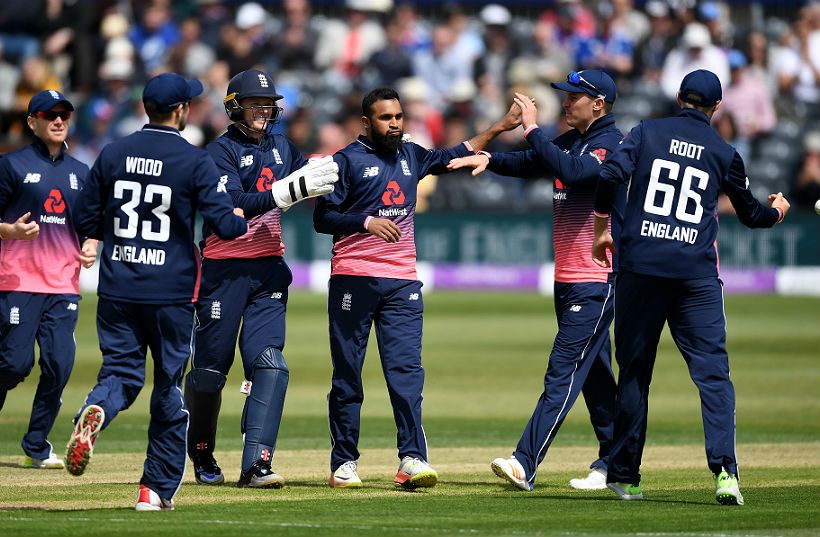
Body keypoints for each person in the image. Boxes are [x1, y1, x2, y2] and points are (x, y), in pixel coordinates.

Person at [591, 69, 790, 505]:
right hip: (695, 279)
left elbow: (608, 177)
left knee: (636, 373)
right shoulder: (724, 152)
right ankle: (725, 474)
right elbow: (753, 215)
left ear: (679, 96)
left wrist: (604, 227)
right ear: (716, 108)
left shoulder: (646, 131)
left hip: (641, 269)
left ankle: (625, 477)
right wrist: (777, 211)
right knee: (713, 377)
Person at [314, 87, 521, 489]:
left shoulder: (411, 154)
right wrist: (365, 222)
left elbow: (455, 153)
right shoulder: (345, 160)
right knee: (348, 377)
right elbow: (323, 218)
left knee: (406, 373)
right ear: (365, 122)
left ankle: (412, 458)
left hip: (403, 282)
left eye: (398, 116)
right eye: (385, 118)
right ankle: (344, 462)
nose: (394, 124)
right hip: (354, 279)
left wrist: (499, 127)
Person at [64, 73, 247, 511]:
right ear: (182, 110)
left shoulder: (112, 153)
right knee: (168, 387)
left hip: (118, 289)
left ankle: (97, 410)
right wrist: (239, 215)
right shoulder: (195, 160)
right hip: (172, 294)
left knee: (120, 375)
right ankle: (154, 489)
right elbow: (227, 226)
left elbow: (83, 218)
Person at [447, 69, 623, 492]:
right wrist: (489, 160)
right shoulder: (574, 140)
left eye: (573, 97)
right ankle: (617, 463)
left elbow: (574, 171)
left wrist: (531, 128)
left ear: (598, 103)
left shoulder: (610, 144)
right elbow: (531, 162)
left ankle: (524, 463)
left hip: (596, 278)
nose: (565, 103)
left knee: (562, 371)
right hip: (569, 278)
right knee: (595, 377)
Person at [185, 68, 338, 489]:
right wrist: (284, 193)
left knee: (270, 364)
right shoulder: (219, 154)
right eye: (255, 104)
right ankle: (200, 451)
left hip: (268, 269)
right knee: (211, 372)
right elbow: (231, 203)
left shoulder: (283, 146)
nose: (263, 111)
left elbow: (315, 183)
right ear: (234, 106)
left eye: (269, 105)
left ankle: (257, 464)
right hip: (223, 271)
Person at [0, 89, 97, 470]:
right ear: (32, 121)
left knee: (59, 365)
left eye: (64, 115)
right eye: (49, 114)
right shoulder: (12, 165)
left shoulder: (80, 172)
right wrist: (6, 230)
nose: (58, 121)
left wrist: (90, 245)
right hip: (20, 281)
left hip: (63, 285)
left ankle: (36, 445)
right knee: (15, 364)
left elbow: (90, 222)